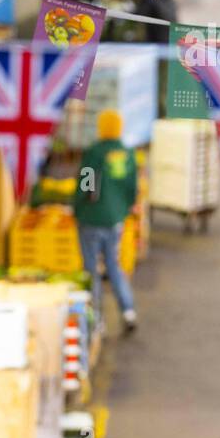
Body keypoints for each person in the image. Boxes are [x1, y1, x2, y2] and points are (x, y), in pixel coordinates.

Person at [74, 109, 139, 332]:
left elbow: (86, 185)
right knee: (114, 265)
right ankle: (128, 311)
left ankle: (97, 319)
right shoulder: (127, 153)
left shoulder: (95, 153)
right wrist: (123, 209)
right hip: (115, 221)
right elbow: (132, 189)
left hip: (91, 219)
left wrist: (76, 207)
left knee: (91, 269)